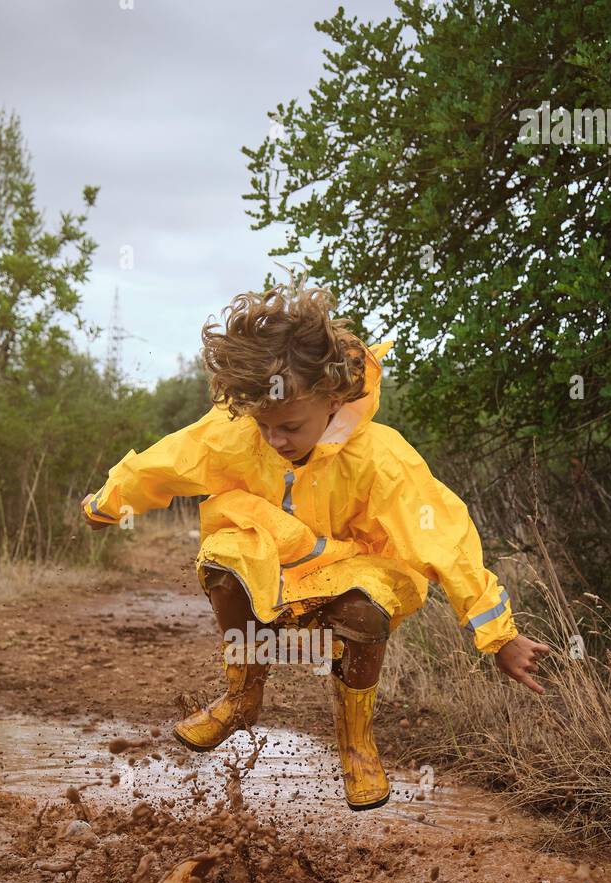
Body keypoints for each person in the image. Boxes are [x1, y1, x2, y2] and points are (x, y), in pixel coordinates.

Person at [82, 284, 548, 810]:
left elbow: (441, 538)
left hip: (353, 565)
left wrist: (498, 634)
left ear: (332, 398)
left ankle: (356, 744)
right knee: (222, 558)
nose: (276, 439)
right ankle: (241, 698)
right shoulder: (238, 433)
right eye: (264, 426)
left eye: (290, 426)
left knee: (366, 611)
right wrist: (109, 502)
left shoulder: (380, 458)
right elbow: (168, 461)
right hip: (272, 556)